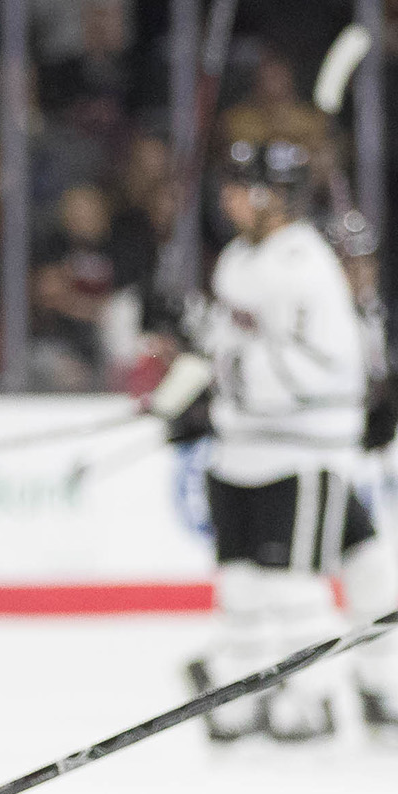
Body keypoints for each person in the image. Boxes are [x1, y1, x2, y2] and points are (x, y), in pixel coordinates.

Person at [170, 140, 398, 740]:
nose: (227, 199)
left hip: (300, 455)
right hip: (240, 451)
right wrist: (187, 389)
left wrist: (231, 379)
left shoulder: (306, 264)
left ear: (269, 195)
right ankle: (242, 698)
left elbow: (327, 368)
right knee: (243, 585)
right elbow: (224, 345)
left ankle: (319, 698)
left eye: (238, 187)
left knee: (299, 585)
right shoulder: (237, 260)